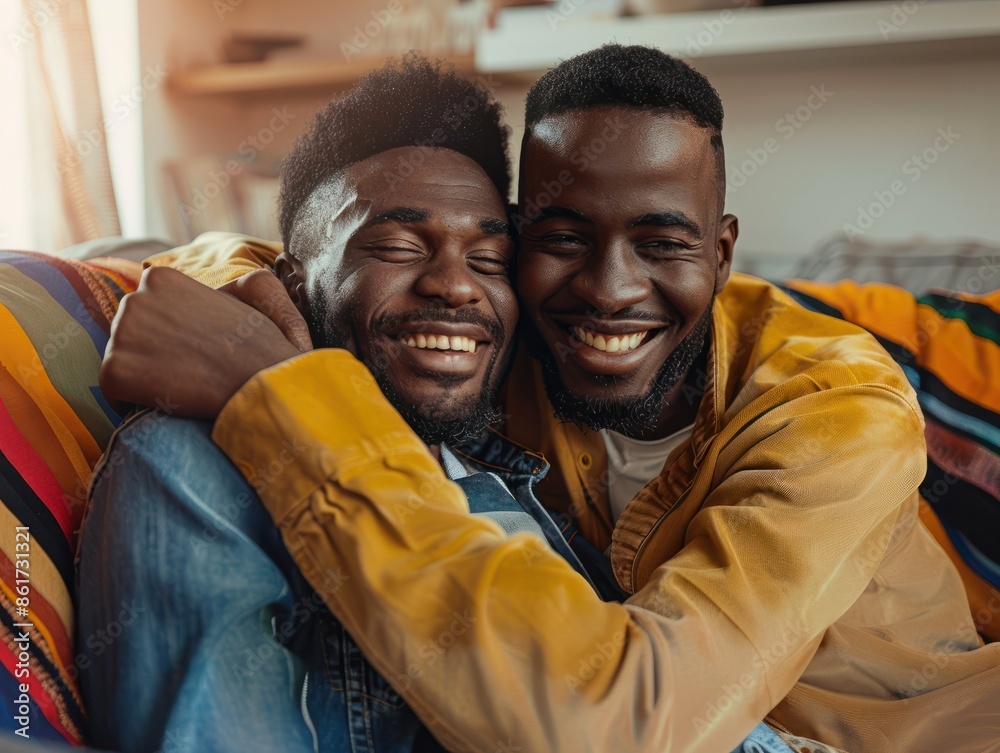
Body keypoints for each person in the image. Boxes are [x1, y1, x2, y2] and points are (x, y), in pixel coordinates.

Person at [97, 47, 1000, 753]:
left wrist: (279, 392)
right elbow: (281, 254)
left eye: (661, 243)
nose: (609, 290)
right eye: (563, 237)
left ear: (722, 254)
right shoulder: (505, 324)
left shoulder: (840, 408)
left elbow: (626, 726)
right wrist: (227, 303)